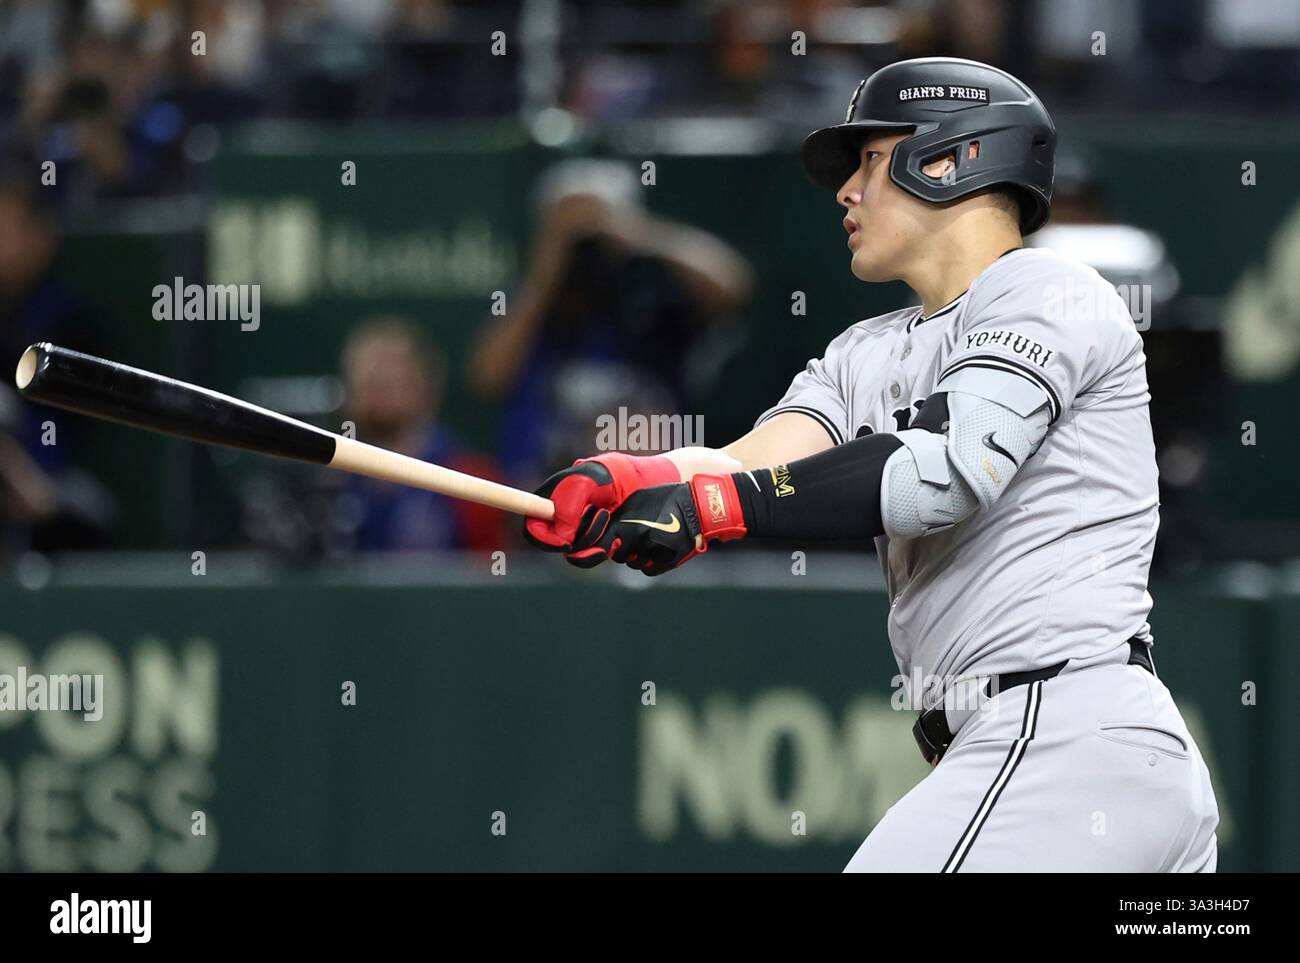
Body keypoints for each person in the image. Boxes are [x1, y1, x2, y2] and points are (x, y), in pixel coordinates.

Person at [522, 58, 1219, 872]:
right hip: (1049, 754)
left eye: (871, 161)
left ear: (955, 156)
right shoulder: (867, 351)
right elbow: (751, 459)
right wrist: (629, 480)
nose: (847, 191)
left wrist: (709, 508)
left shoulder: (1049, 287)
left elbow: (942, 474)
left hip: (1063, 735)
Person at [467, 158, 752, 483]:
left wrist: (635, 231)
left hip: (653, 493)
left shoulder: (654, 292)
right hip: (545, 493)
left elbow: (732, 285)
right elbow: (488, 377)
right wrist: (548, 266)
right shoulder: (529, 299)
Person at [338, 316, 502, 552]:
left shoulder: (471, 478)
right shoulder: (331, 482)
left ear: (424, 386)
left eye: (388, 382)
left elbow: (496, 577)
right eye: (365, 383)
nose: (375, 395)